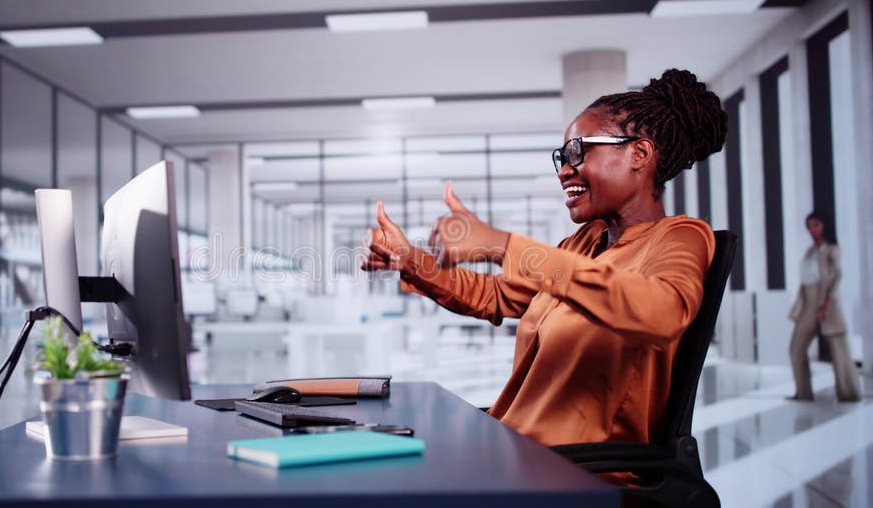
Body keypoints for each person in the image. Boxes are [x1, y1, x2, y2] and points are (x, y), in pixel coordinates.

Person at [362, 69, 727, 458]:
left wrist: (504, 246)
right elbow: (499, 296)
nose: (564, 170)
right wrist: (411, 261)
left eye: (577, 152)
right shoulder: (586, 242)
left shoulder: (681, 237)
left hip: (580, 470)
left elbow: (662, 311)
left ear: (639, 153)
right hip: (516, 448)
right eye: (561, 157)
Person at [787, 211, 860, 402]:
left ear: (824, 225)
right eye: (809, 225)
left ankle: (848, 393)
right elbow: (805, 281)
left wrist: (826, 304)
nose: (812, 229)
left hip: (827, 303)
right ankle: (803, 392)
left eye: (816, 224)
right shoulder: (810, 251)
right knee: (796, 348)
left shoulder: (832, 250)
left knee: (839, 351)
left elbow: (836, 278)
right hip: (808, 304)